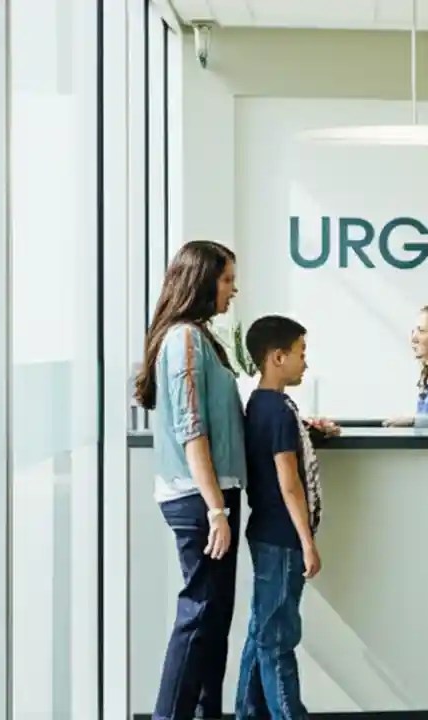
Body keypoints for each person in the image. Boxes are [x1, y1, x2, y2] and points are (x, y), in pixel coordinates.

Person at [134, 240, 246, 720]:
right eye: (226, 280)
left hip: (213, 494)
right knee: (199, 615)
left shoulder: (197, 336)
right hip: (201, 499)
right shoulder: (183, 339)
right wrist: (216, 508)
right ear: (201, 281)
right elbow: (192, 429)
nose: (233, 289)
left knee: (214, 619)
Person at [234, 315, 336, 720]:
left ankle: (247, 712)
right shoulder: (276, 410)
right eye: (300, 353)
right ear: (278, 357)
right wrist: (308, 542)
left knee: (261, 632)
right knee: (277, 640)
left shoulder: (263, 404)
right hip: (283, 538)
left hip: (266, 533)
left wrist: (310, 431)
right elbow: (288, 482)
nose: (305, 363)